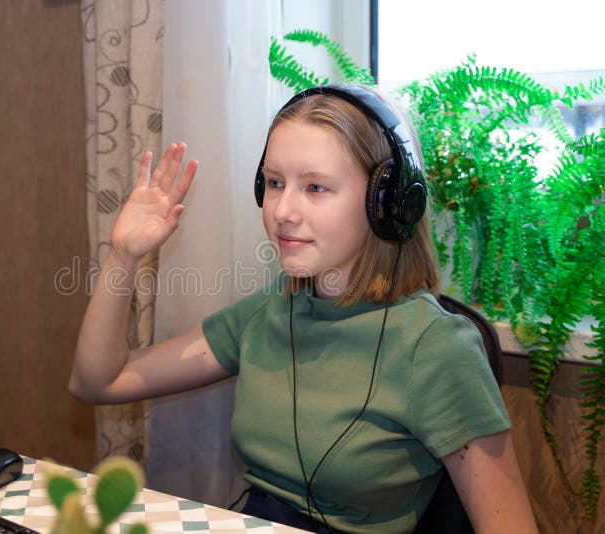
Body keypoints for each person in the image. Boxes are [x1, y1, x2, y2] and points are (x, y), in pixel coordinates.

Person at [69, 84, 538, 533]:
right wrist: (123, 256)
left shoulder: (436, 347)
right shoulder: (271, 309)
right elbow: (98, 381)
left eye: (315, 188)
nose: (282, 211)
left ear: (388, 202)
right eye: (274, 183)